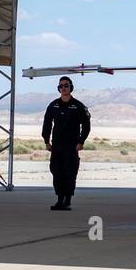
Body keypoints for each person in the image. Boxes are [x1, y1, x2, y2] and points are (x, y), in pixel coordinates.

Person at [41, 76, 90, 210]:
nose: (63, 88)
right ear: (58, 88)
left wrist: (81, 142)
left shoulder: (78, 106)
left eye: (66, 85)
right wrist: (46, 141)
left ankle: (67, 200)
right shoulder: (53, 105)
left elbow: (86, 126)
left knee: (70, 172)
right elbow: (47, 124)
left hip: (71, 146)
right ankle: (59, 199)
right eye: (61, 86)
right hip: (57, 145)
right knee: (56, 171)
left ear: (71, 87)